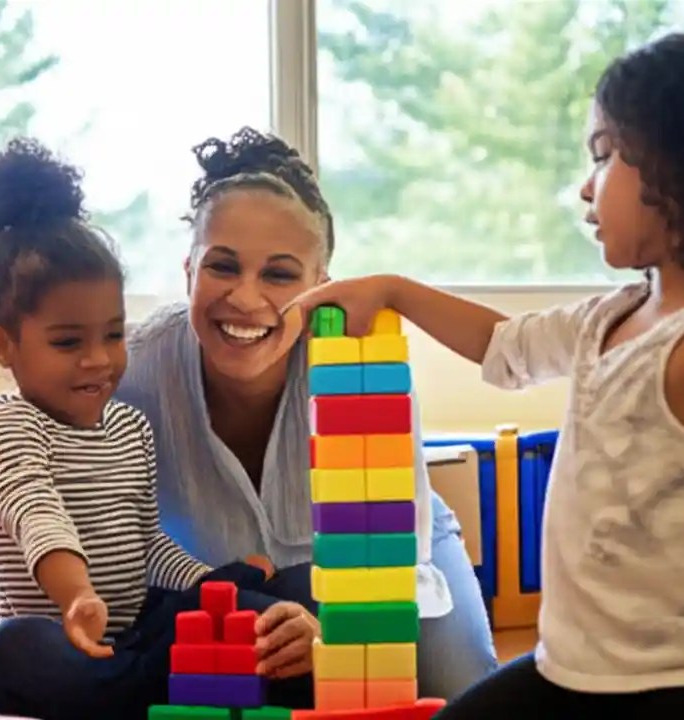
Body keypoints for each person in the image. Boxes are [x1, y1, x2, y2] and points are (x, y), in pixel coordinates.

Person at [287, 29, 684, 720]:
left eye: (604, 156)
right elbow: (503, 344)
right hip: (572, 664)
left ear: (682, 171)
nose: (586, 188)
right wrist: (394, 290)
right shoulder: (609, 317)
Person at [113, 127, 500, 700]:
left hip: (390, 554)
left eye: (278, 274)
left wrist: (338, 638)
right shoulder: (135, 368)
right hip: (226, 582)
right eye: (222, 266)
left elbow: (402, 559)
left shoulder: (363, 359)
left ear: (321, 284)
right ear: (189, 272)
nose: (246, 299)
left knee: (457, 694)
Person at [0, 138, 318, 720]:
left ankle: (187, 675)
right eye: (67, 342)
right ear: (2, 344)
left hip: (139, 628)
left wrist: (215, 591)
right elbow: (37, 514)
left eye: (111, 334)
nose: (98, 360)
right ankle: (176, 685)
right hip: (64, 637)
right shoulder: (7, 423)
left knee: (300, 594)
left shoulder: (128, 426)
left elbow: (148, 544)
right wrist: (76, 595)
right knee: (13, 653)